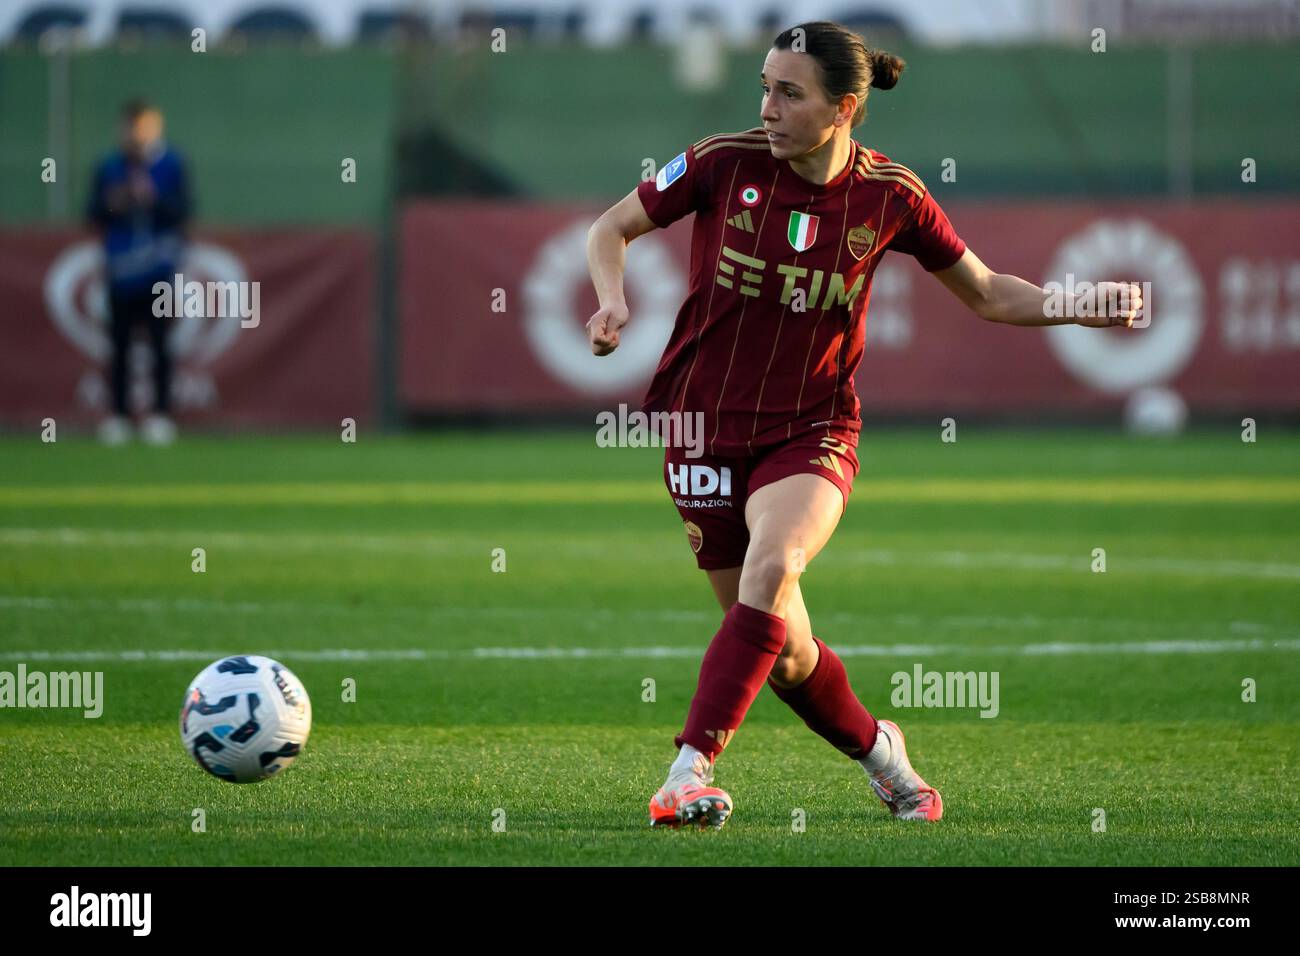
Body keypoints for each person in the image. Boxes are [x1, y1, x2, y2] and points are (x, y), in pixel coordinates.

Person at [584, 21, 1142, 829]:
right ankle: (885, 756)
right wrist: (611, 299)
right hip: (701, 428)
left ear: (844, 108)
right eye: (765, 86)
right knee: (787, 655)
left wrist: (1076, 305)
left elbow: (986, 292)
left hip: (812, 429)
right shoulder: (722, 162)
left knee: (772, 567)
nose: (766, 107)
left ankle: (686, 771)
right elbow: (611, 229)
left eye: (789, 93)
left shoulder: (892, 195)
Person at [88, 98, 192, 445]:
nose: (135, 134)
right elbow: (94, 213)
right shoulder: (109, 166)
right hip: (120, 271)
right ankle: (118, 416)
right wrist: (118, 199)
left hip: (158, 271)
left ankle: (160, 415)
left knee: (160, 344)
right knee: (119, 346)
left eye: (142, 126)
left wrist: (152, 198)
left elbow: (182, 211)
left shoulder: (172, 164)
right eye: (130, 127)